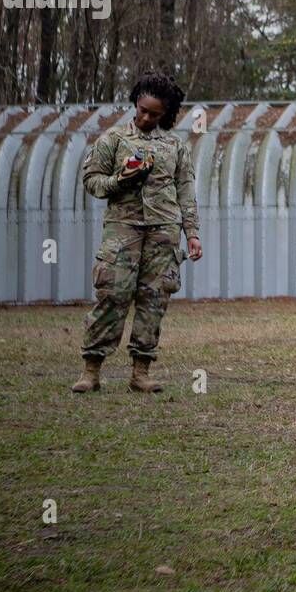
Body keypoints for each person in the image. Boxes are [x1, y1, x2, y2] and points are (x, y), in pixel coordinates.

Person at [74, 72, 202, 393]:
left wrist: (193, 234)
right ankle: (91, 370)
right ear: (135, 103)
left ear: (166, 114)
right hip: (123, 231)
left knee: (153, 299)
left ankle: (141, 372)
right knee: (113, 295)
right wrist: (121, 180)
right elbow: (92, 182)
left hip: (164, 233)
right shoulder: (113, 139)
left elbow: (186, 193)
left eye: (154, 113)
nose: (145, 117)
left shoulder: (175, 146)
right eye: (142, 109)